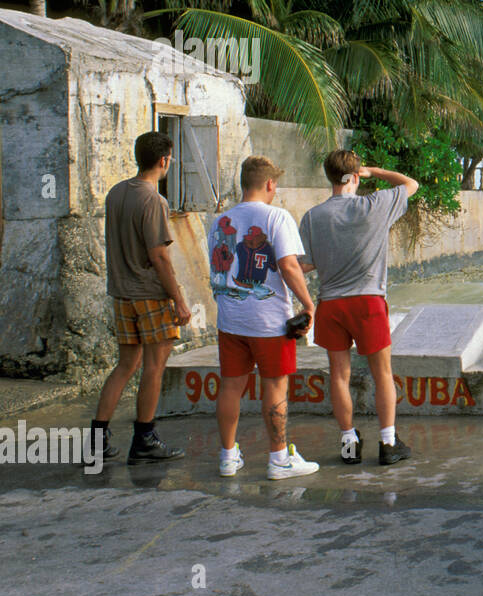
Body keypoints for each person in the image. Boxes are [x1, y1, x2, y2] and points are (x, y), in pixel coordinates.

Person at [298, 151, 417, 466]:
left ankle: (348, 443)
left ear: (329, 177)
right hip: (367, 302)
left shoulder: (312, 216)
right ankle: (388, 443)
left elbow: (306, 263)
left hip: (330, 304)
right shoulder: (374, 206)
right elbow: (410, 184)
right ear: (354, 177)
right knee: (382, 374)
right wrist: (374, 171)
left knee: (339, 375)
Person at [208, 156, 318, 479]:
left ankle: (228, 458)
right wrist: (308, 305)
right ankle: (279, 459)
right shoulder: (277, 217)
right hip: (268, 322)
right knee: (275, 385)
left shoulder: (219, 222)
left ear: (244, 183)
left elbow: (219, 268)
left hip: (230, 320)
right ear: (270, 184)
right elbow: (288, 265)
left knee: (231, 387)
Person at [87, 131, 191, 465]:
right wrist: (179, 299)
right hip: (149, 295)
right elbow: (159, 256)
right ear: (164, 160)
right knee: (154, 366)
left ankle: (96, 439)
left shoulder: (116, 193)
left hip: (121, 293)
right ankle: (144, 437)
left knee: (125, 365)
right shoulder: (153, 200)